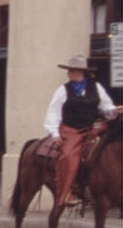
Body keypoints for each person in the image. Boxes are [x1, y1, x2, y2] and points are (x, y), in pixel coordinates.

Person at [42, 54, 122, 208]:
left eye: (73, 70)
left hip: (93, 130)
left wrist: (114, 110)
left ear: (82, 72)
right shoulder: (62, 90)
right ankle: (68, 192)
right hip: (71, 130)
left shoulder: (97, 88)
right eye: (69, 70)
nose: (69, 73)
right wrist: (54, 133)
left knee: (110, 151)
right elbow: (53, 112)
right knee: (69, 155)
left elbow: (106, 109)